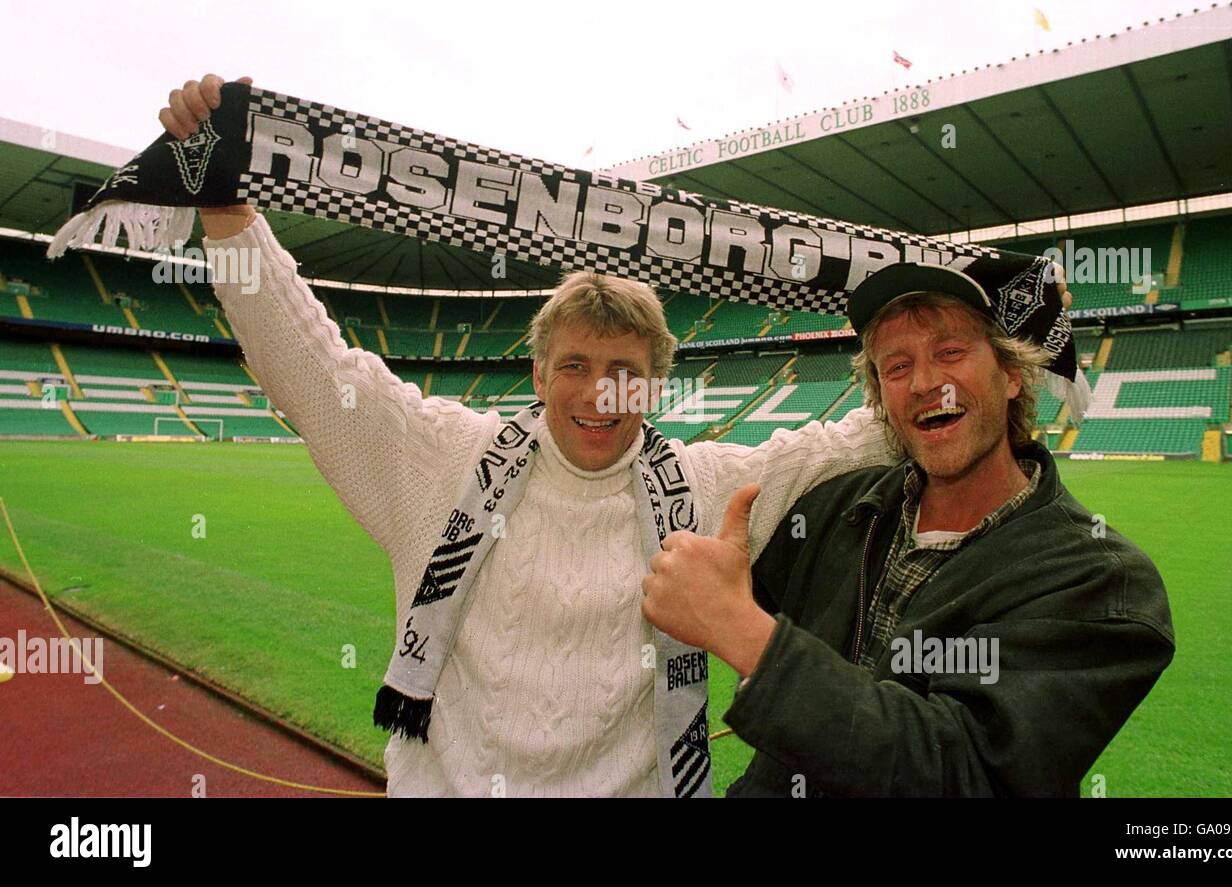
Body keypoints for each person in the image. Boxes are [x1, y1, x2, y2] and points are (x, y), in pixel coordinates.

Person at [161, 74, 897, 797]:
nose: (599, 391)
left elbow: (839, 447)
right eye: (574, 365)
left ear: (652, 384)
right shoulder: (444, 456)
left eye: (623, 370)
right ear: (539, 377)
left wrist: (983, 330)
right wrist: (227, 215)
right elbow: (308, 365)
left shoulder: (704, 486)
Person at [642, 262, 1175, 797]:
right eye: (896, 367)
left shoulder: (1097, 579)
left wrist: (744, 633)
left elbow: (965, 772)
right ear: (879, 398)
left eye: (951, 353)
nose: (924, 383)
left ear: (1012, 373)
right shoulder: (835, 508)